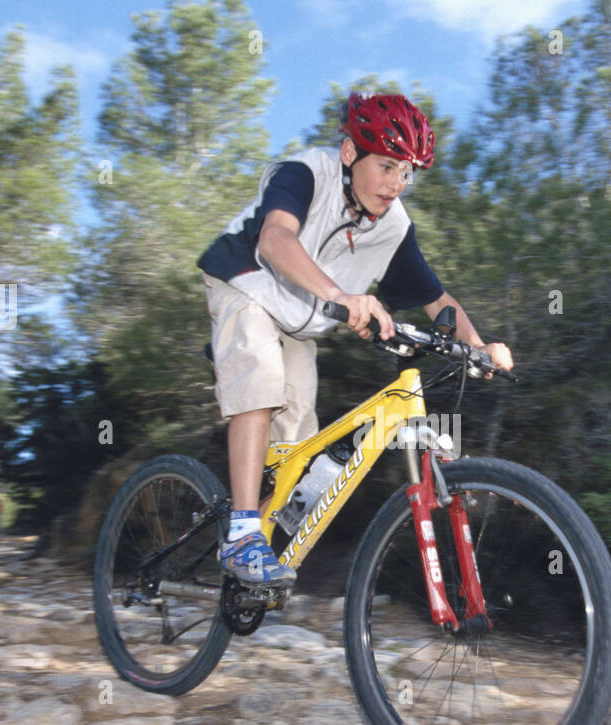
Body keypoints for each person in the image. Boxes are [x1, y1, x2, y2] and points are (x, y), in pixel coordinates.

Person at [196, 91, 513, 586]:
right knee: (261, 376)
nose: (396, 184)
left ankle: (254, 549)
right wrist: (342, 295)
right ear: (350, 154)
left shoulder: (393, 227)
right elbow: (275, 238)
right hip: (243, 281)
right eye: (386, 166)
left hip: (298, 319)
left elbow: (435, 298)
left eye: (406, 172)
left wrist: (480, 347)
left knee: (301, 458)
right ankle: (241, 536)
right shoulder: (305, 172)